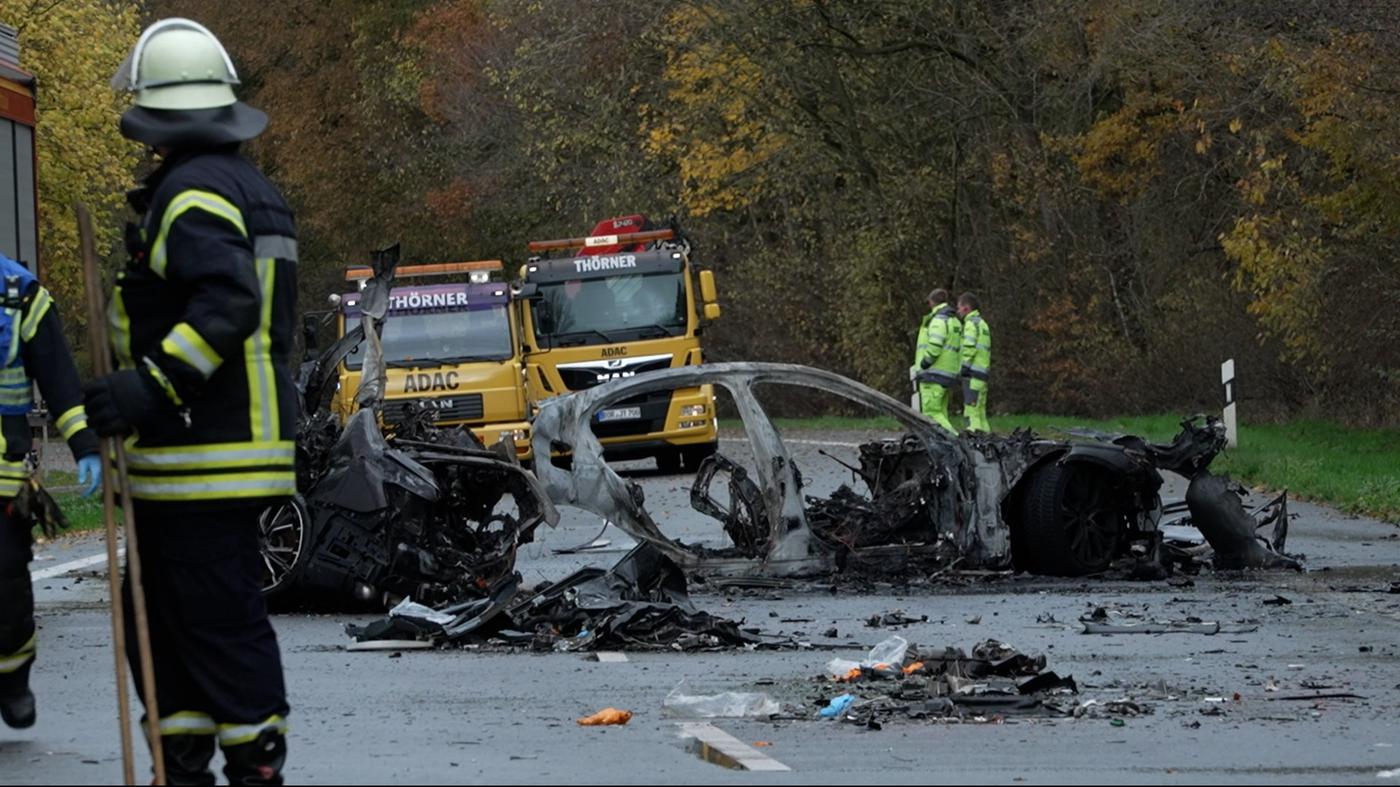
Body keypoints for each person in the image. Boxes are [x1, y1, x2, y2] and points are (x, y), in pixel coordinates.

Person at [84, 18, 297, 784]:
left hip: (199, 455)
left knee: (212, 626)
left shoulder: (192, 194)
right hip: (216, 455)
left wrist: (145, 387)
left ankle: (245, 765)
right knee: (171, 628)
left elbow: (228, 304)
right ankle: (188, 762)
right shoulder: (246, 188)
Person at [0, 252, 102, 730]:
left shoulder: (19, 293)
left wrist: (85, 445)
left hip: (3, 475)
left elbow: (60, 380)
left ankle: (12, 677)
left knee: (7, 587)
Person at [911, 288, 962, 433]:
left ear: (931, 302)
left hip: (933, 374)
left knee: (931, 413)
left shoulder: (938, 320)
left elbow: (935, 345)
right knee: (941, 413)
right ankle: (945, 444)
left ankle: (955, 440)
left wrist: (925, 362)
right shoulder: (954, 321)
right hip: (948, 373)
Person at [958, 292, 992, 432]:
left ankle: (975, 439)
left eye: (959, 307)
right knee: (981, 413)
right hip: (982, 374)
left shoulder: (970, 324)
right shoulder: (982, 324)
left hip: (972, 374)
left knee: (972, 413)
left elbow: (969, 347)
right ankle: (988, 439)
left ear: (966, 308)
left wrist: (964, 366)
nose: (958, 311)